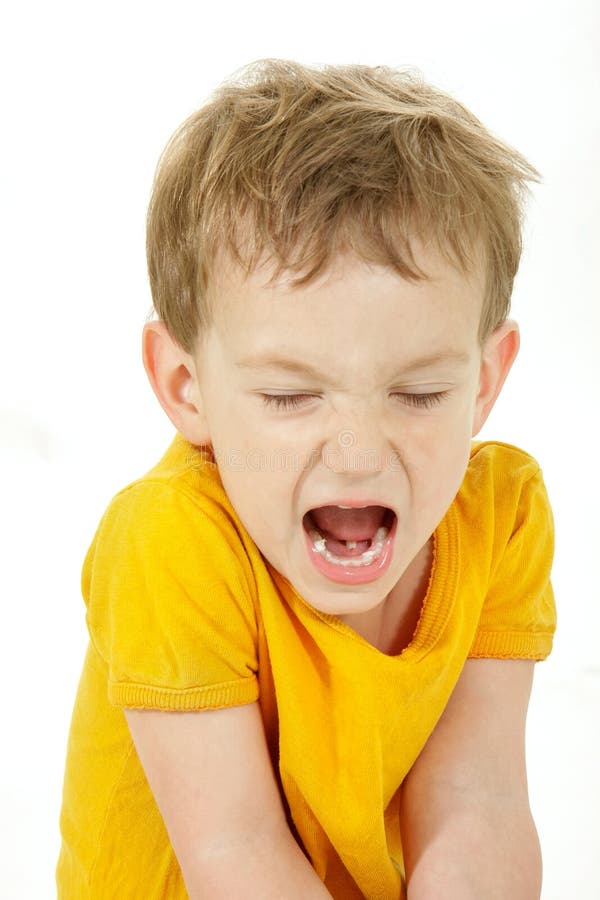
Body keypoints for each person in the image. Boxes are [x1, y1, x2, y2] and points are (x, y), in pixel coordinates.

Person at [56, 59, 557, 899]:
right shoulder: (168, 542)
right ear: (186, 386)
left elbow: (479, 801)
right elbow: (235, 850)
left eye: (419, 393)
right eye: (290, 396)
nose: (357, 454)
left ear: (484, 381)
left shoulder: (501, 516)